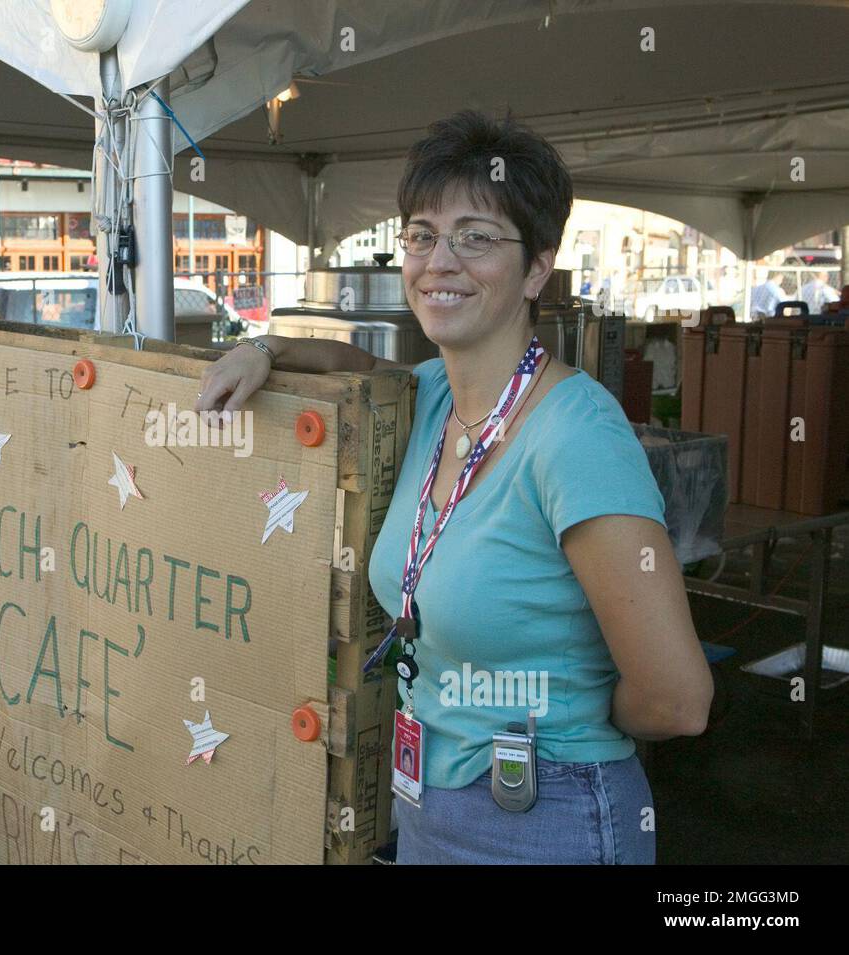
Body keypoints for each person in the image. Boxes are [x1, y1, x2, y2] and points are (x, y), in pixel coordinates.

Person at [196, 110, 712, 865]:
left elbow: (678, 699)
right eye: (422, 235)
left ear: (537, 266)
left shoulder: (576, 434)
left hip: (547, 813)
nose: (441, 260)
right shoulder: (431, 397)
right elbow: (346, 368)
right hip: (429, 805)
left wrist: (568, 712)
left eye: (476, 236)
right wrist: (263, 347)